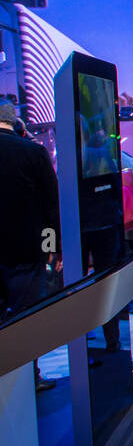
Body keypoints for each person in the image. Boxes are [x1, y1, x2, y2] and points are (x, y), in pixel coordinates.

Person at [0, 99, 59, 391]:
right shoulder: (33, 152)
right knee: (26, 318)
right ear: (15, 123)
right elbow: (51, 206)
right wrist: (52, 247)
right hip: (27, 250)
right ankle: (28, 379)